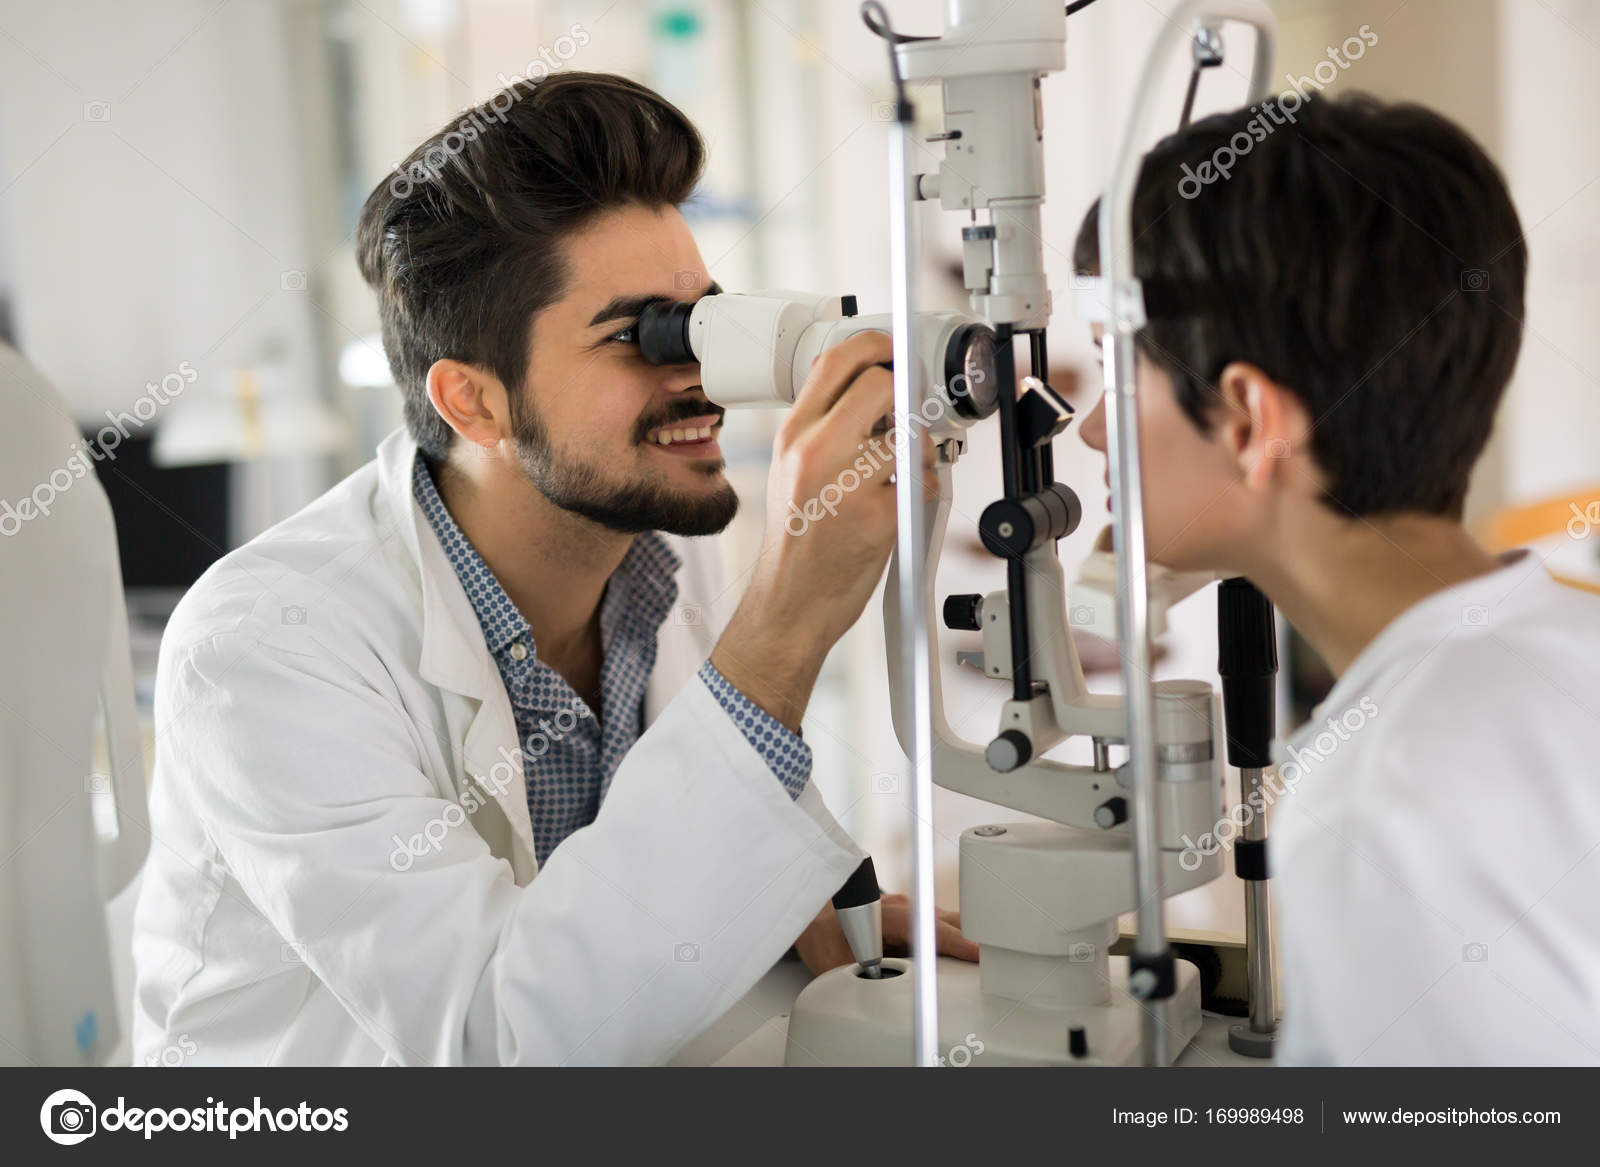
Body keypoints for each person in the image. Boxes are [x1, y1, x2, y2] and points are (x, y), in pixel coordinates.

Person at [131, 72, 972, 1067]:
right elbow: (501, 1042)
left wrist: (807, 903)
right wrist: (783, 625)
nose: (702, 372)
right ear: (473, 402)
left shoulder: (661, 553)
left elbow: (696, 847)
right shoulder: (265, 645)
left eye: (704, 318)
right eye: (641, 336)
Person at [1071, 92, 1600, 1065]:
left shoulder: (1384, 804)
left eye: (1116, 372)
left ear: (1245, 421)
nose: (1091, 429)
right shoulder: (1569, 640)